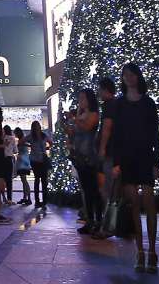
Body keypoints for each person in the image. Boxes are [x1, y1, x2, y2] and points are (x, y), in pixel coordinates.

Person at [106, 63, 159, 273]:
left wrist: (156, 161)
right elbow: (116, 136)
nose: (129, 78)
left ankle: (153, 251)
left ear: (138, 77)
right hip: (127, 159)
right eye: (125, 75)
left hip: (145, 156)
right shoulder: (119, 105)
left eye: (132, 74)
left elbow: (155, 133)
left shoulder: (148, 103)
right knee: (134, 205)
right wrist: (116, 163)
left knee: (149, 202)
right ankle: (139, 250)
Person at [69, 87, 103, 234]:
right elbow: (74, 131)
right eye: (79, 98)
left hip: (89, 155)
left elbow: (87, 127)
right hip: (80, 155)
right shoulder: (81, 114)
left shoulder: (94, 114)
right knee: (86, 190)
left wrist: (75, 119)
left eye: (83, 98)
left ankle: (98, 221)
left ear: (89, 99)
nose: (80, 101)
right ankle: (90, 221)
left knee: (93, 190)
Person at [94, 76, 119, 238]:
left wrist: (102, 149)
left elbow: (107, 128)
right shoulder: (118, 104)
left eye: (99, 89)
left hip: (110, 153)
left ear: (105, 90)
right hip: (116, 153)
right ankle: (112, 226)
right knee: (113, 191)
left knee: (108, 191)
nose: (98, 92)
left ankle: (108, 227)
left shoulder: (109, 106)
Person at [27, 121, 49, 210]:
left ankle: (38, 201)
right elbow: (51, 142)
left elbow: (20, 142)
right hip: (40, 160)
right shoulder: (43, 135)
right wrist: (46, 148)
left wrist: (30, 146)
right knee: (43, 181)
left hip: (36, 160)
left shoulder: (32, 136)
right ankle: (43, 202)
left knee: (38, 180)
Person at [12, 128, 31, 205]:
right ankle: (25, 197)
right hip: (25, 161)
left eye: (15, 133)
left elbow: (17, 150)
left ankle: (28, 198)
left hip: (22, 162)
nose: (15, 135)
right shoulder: (24, 139)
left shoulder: (22, 140)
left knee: (24, 181)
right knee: (24, 181)